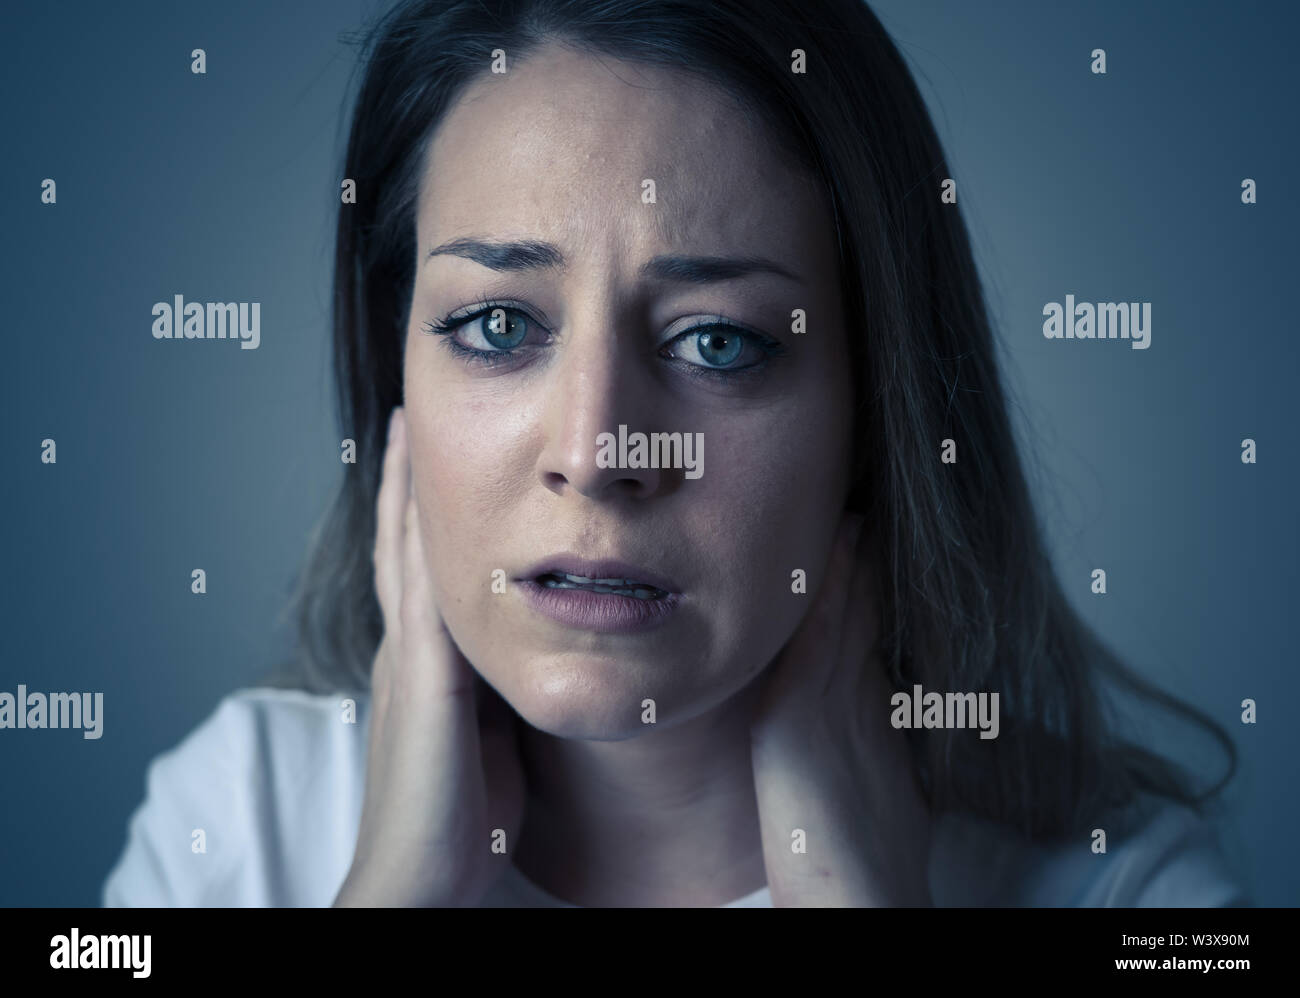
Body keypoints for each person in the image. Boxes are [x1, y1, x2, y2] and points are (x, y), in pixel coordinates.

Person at [102, 0, 1247, 908]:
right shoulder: (236, 823)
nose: (599, 453)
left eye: (716, 341)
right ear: (390, 365)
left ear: (873, 412)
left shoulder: (1121, 885)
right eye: (498, 324)